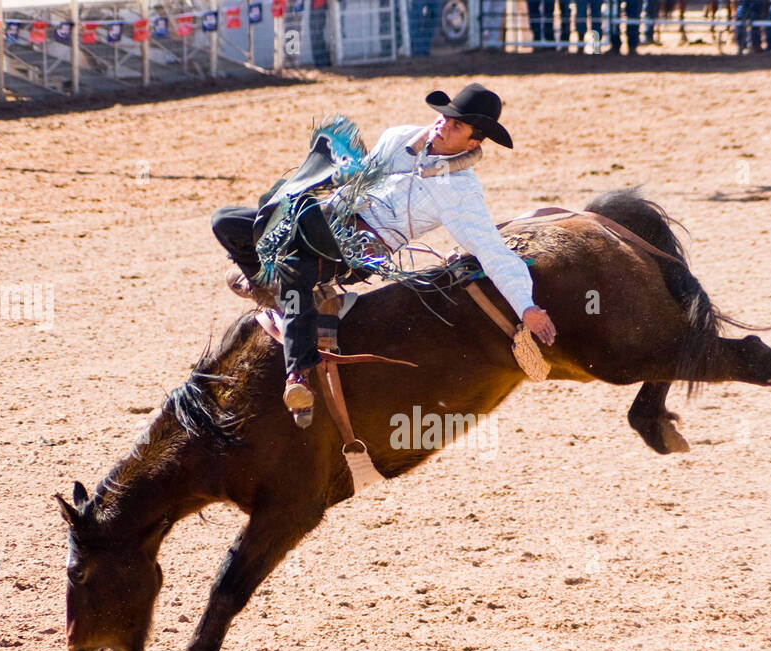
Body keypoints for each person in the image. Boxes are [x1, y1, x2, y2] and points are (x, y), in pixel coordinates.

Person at [210, 84, 557, 427]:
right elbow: (357, 180)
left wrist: (526, 306)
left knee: (296, 271)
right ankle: (266, 283)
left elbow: (490, 250)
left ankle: (297, 374)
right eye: (445, 116)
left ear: (472, 142)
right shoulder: (398, 139)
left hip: (356, 252)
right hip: (323, 218)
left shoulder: (460, 191)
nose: (443, 124)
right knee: (226, 221)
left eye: (456, 124)